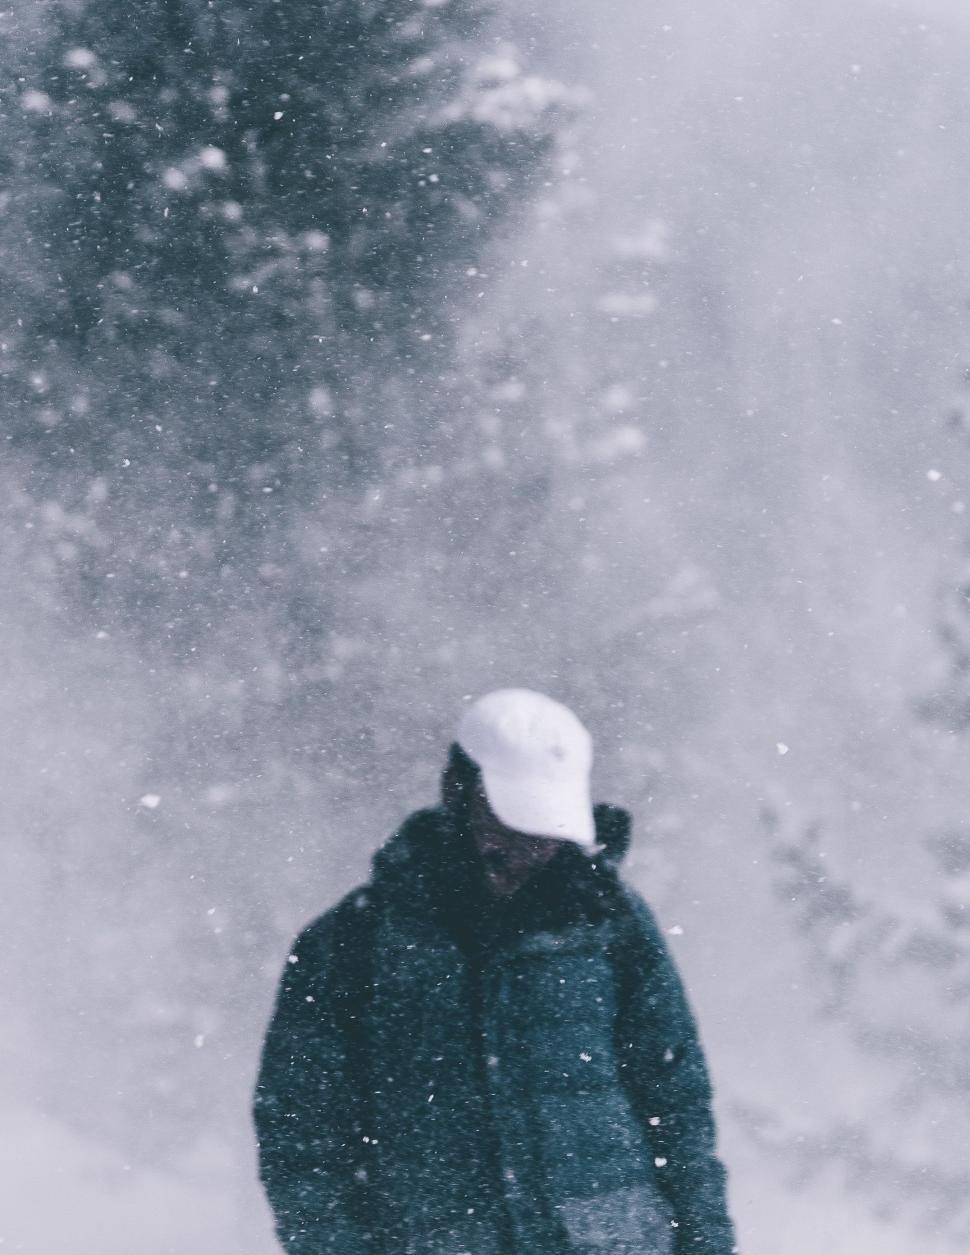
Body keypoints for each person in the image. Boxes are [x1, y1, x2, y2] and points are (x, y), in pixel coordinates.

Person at [253, 689, 736, 1255]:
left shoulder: (610, 923)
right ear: (456, 791)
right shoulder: (350, 944)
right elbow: (301, 1138)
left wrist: (706, 1241)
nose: (530, 848)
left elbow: (676, 1101)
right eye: (511, 822)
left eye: (546, 826)